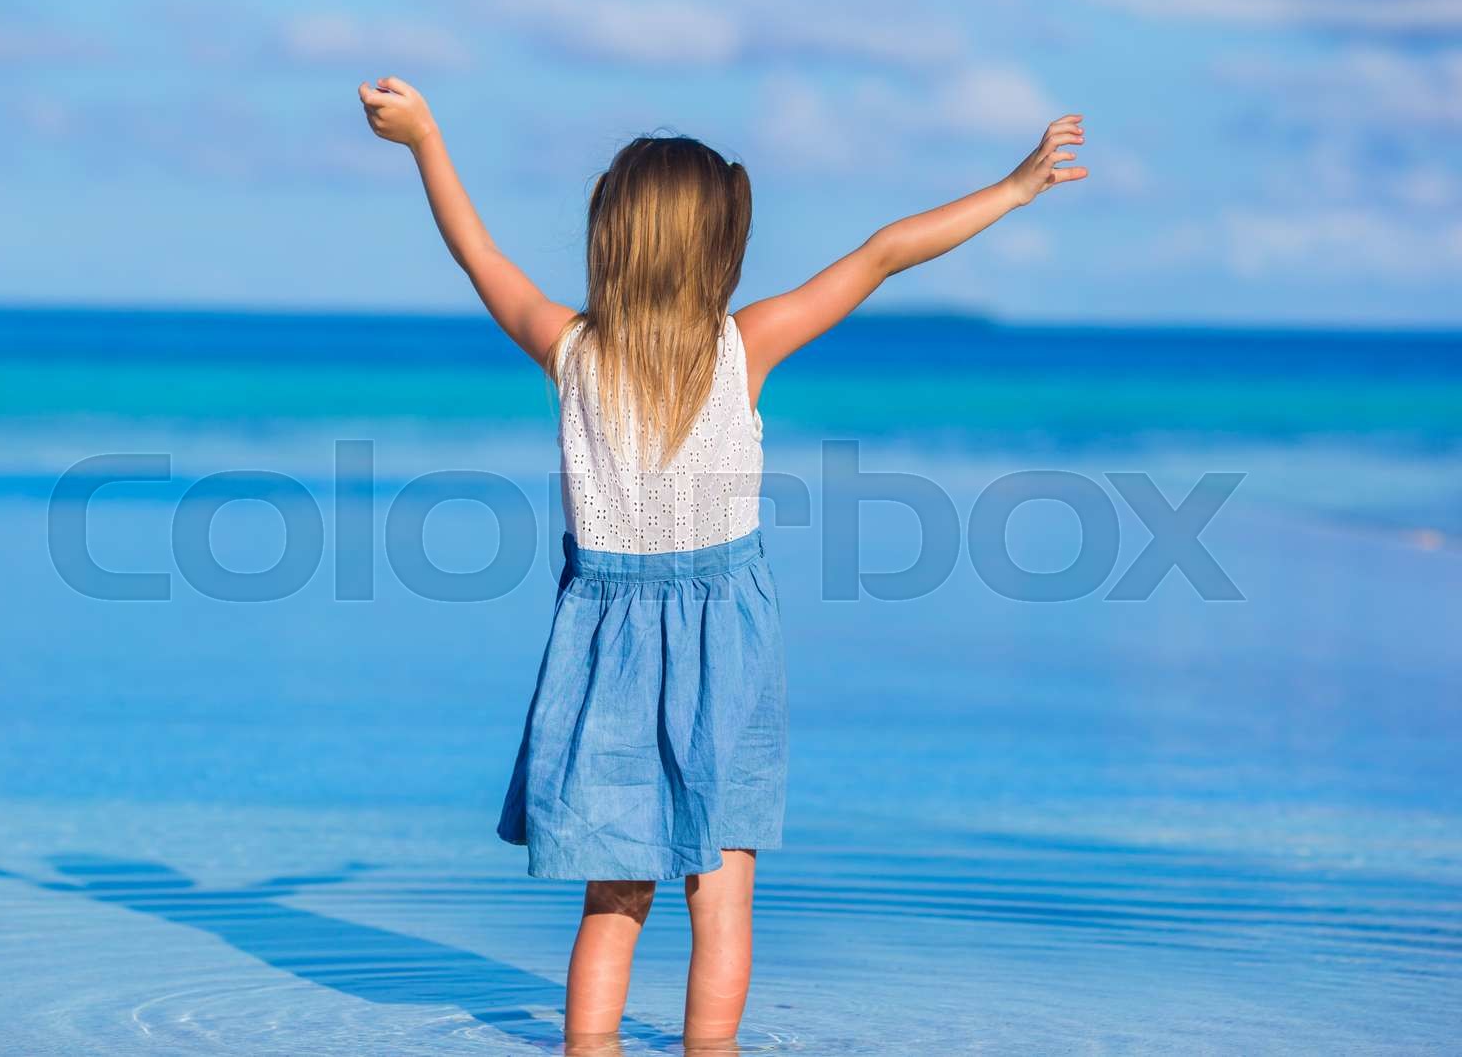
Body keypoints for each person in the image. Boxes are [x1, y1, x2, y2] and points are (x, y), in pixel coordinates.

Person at [359, 74, 1086, 1047]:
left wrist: (425, 139)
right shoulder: (744, 346)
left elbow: (477, 253)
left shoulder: (569, 350)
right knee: (721, 889)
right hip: (724, 638)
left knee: (612, 894)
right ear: (718, 249)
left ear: (609, 240)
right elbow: (879, 257)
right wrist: (1015, 188)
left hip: (603, 637)